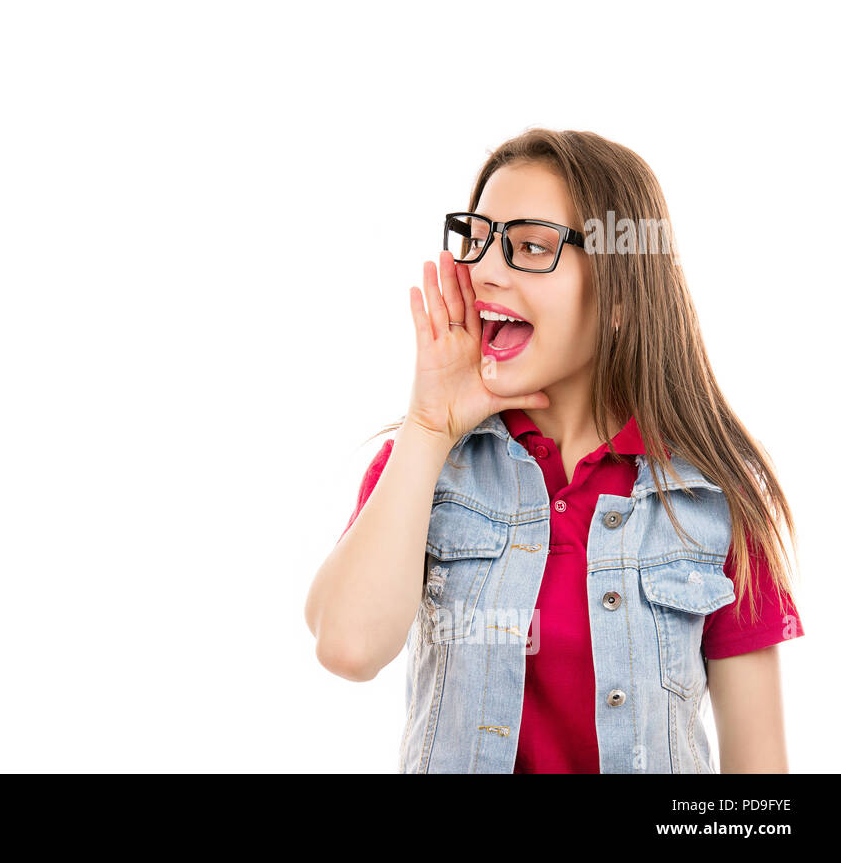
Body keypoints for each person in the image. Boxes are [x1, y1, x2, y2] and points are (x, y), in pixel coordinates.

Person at [303, 128, 804, 774]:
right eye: (478, 241)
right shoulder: (426, 464)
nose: (483, 271)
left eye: (530, 247)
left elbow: (757, 771)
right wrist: (428, 428)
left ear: (621, 295)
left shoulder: (715, 497)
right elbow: (347, 648)